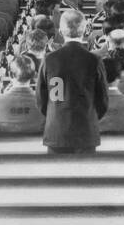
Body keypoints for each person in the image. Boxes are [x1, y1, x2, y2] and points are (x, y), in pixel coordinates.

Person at [37, 9, 108, 154]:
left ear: (61, 31)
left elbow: (41, 99)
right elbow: (103, 100)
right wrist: (91, 116)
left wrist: (54, 113)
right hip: (86, 130)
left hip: (56, 129)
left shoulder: (49, 59)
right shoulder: (94, 60)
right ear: (85, 31)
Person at [0, 55, 47, 133]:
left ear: (10, 74)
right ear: (34, 75)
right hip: (35, 144)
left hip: (6, 144)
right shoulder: (45, 102)